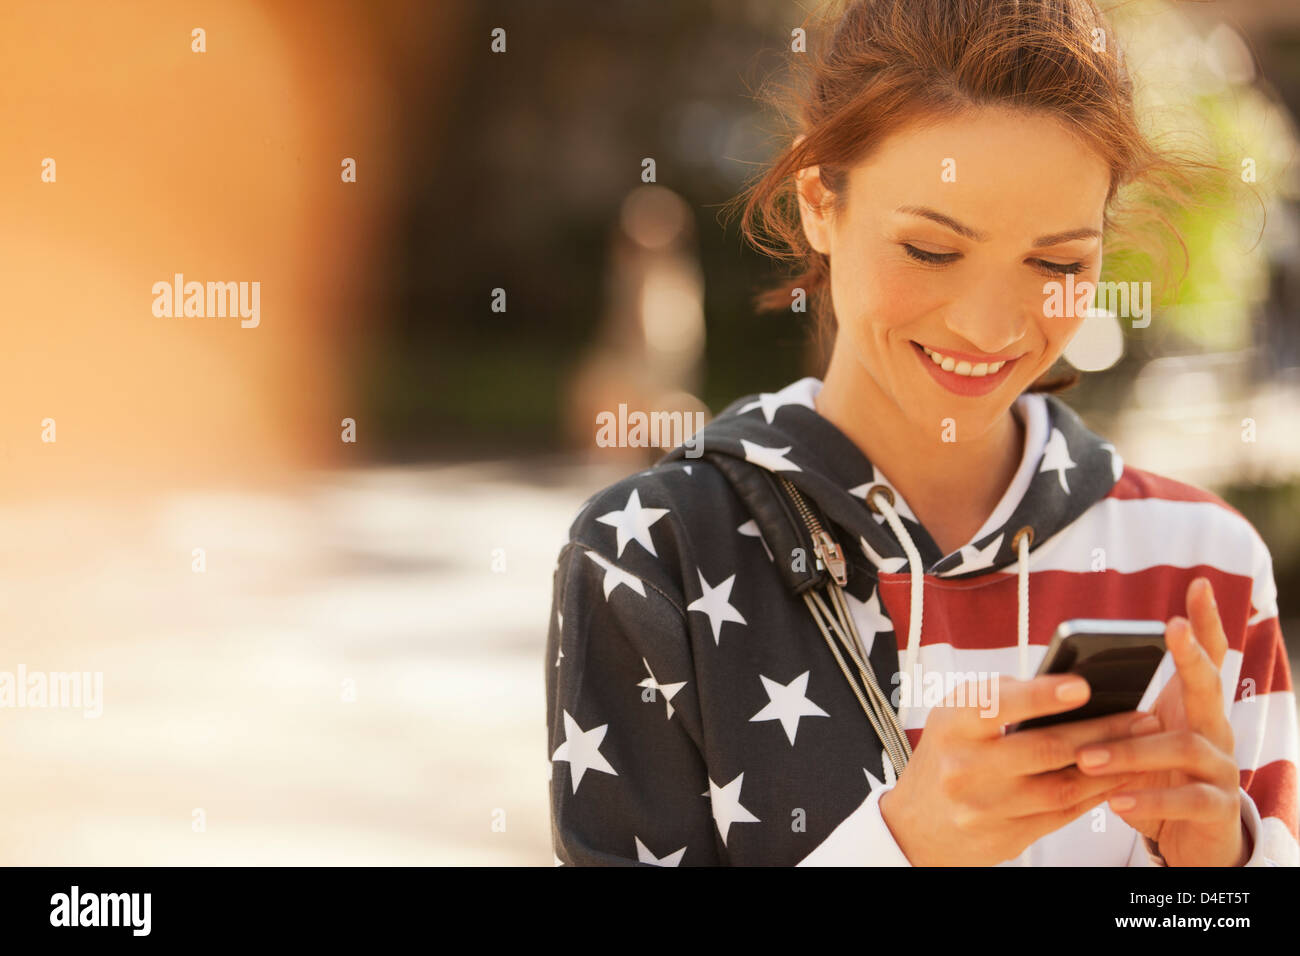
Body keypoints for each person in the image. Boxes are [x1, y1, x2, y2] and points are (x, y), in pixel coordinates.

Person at [543, 0, 1298, 866]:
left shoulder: (1207, 564)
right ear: (821, 205)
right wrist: (907, 846)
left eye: (1057, 263)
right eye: (932, 251)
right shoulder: (650, 559)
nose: (989, 327)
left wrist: (1215, 873)